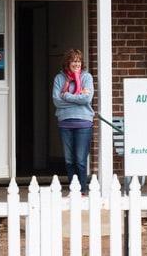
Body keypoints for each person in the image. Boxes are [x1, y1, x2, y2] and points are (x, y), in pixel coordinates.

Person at [51, 49, 94, 193]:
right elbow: (57, 101)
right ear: (67, 63)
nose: (77, 64)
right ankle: (73, 189)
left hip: (83, 123)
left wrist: (67, 95)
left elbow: (87, 99)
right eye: (74, 61)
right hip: (65, 122)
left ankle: (82, 190)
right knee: (69, 159)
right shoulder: (59, 78)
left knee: (80, 160)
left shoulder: (86, 78)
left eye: (79, 61)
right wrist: (77, 98)